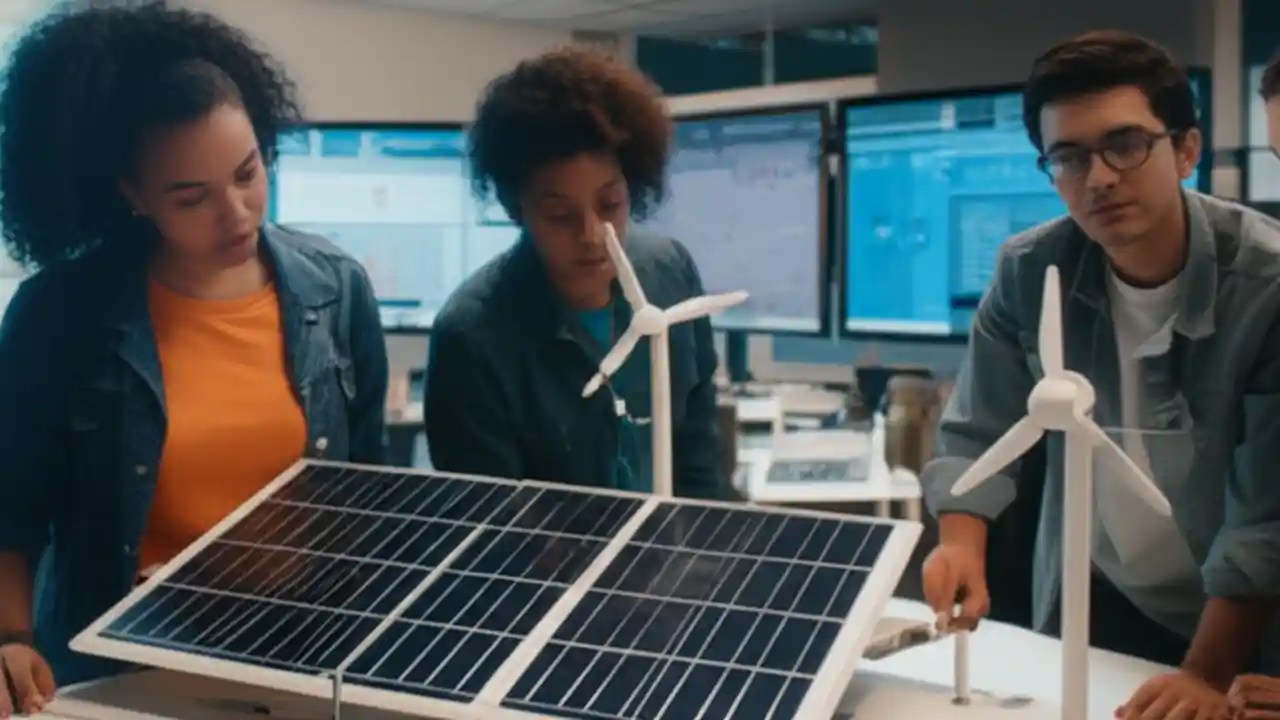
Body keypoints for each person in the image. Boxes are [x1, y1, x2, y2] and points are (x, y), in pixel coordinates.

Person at [0, 2, 389, 712]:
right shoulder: (60, 315)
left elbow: (370, 492)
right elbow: (12, 509)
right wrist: (8, 638)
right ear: (132, 195)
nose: (238, 214)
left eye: (248, 173)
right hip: (122, 659)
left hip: (302, 655)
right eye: (192, 197)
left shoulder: (337, 290)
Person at [920, 30, 1280, 719]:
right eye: (1068, 157)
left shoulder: (1265, 284)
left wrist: (1204, 674)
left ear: (1186, 151)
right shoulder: (1030, 271)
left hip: (1241, 619)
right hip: (1105, 596)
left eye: (1125, 145)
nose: (1100, 177)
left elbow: (1266, 517)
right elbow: (978, 428)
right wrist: (959, 540)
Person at [424, 47, 722, 498]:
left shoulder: (671, 273)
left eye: (610, 205)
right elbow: (487, 526)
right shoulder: (471, 337)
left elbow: (699, 461)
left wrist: (697, 554)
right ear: (515, 207)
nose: (592, 235)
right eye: (560, 215)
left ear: (633, 187)